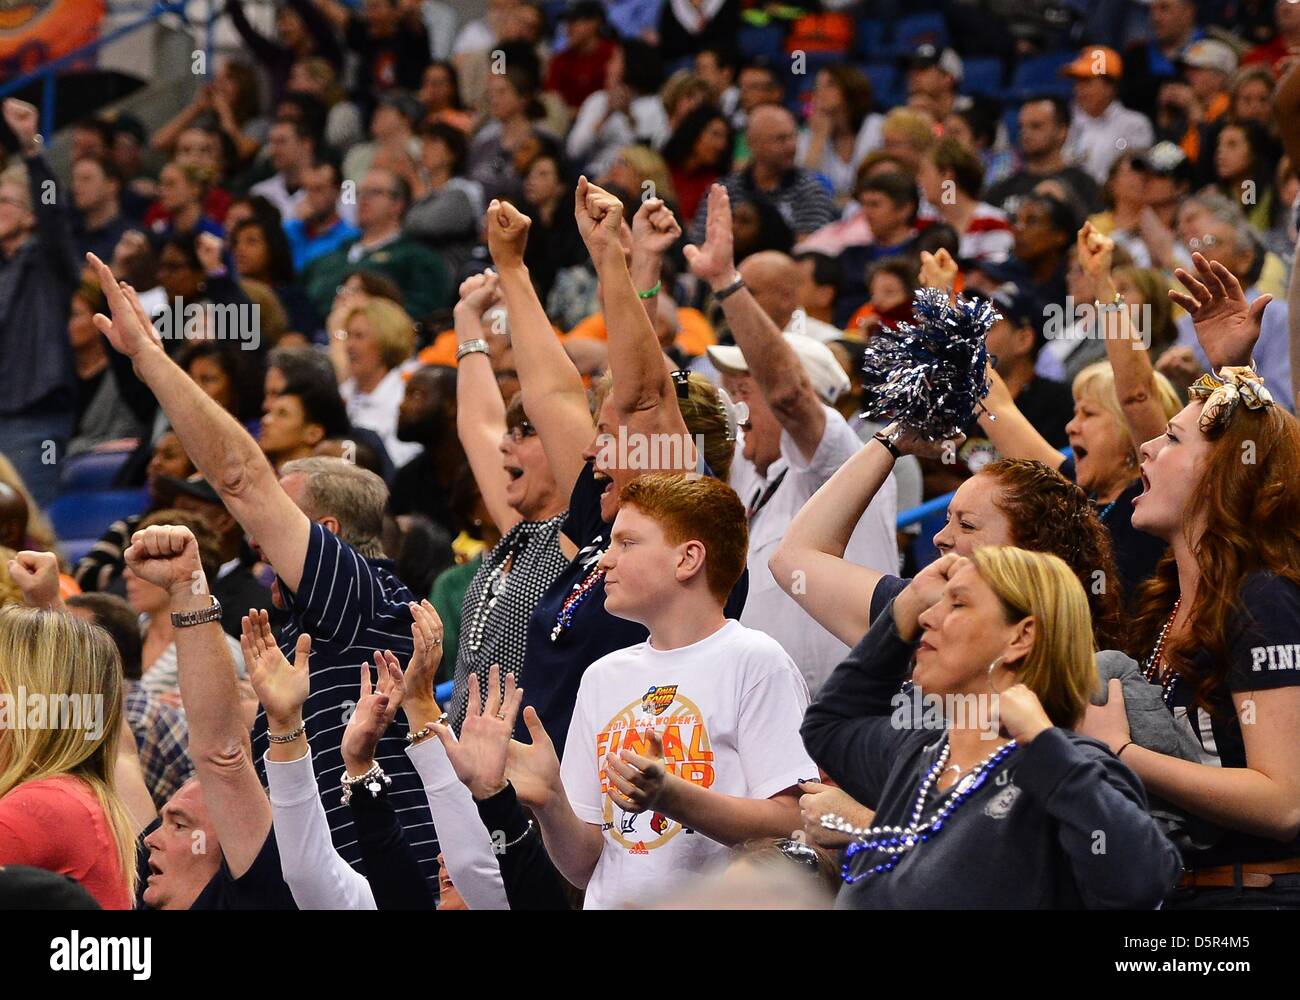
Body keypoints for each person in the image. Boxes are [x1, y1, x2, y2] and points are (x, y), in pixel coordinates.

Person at [87, 251, 441, 889]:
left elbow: (239, 477)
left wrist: (150, 359)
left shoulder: (364, 598)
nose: (255, 534)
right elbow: (221, 757)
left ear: (325, 536)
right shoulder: (291, 634)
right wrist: (192, 590)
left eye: (284, 517)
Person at [436, 473, 815, 910]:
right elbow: (584, 865)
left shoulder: (756, 660)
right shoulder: (602, 676)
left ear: (688, 559)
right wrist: (551, 799)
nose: (603, 561)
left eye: (626, 543)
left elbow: (791, 828)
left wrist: (672, 796)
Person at [485, 184, 744, 758]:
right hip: (534, 798)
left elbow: (644, 395)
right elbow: (551, 391)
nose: (588, 451)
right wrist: (512, 269)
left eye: (606, 436)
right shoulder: (605, 518)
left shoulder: (691, 517)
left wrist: (609, 257)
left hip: (631, 799)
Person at [1081, 257, 1300, 908]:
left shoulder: (1264, 600)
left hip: (1255, 901)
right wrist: (1231, 370)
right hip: (1181, 899)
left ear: (1220, 475)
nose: (1144, 448)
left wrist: (1119, 750)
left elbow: (1286, 800)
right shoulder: (1171, 594)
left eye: (1170, 441)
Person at [802, 546, 1181, 908]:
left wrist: (1042, 742)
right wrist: (909, 600)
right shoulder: (922, 755)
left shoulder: (1068, 766)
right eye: (933, 605)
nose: (927, 618)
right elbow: (830, 723)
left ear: (1021, 636)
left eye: (958, 604)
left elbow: (1141, 883)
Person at [692, 194, 897, 694]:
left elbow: (786, 393)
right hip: (756, 720)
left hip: (845, 728)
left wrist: (726, 284)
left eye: (743, 391)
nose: (732, 406)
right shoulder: (746, 471)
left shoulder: (839, 460)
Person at [974, 224, 1185, 599]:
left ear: (1128, 433)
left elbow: (1137, 395)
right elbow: (999, 409)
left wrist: (1102, 284)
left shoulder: (1156, 492)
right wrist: (947, 314)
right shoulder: (1072, 489)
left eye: (1089, 415)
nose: (1072, 427)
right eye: (1075, 414)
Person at [443, 270, 570, 728]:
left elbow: (560, 397)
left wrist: (515, 274)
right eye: (509, 433)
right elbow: (478, 424)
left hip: (532, 776)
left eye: (525, 433)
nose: (504, 445)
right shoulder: (521, 532)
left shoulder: (582, 535)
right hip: (469, 773)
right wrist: (467, 320)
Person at [0, 98, 79, 507]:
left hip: (33, 423)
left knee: (26, 532)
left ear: (29, 215)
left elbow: (54, 216)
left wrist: (31, 148)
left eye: (4, 201)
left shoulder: (49, 261)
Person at [301, 167, 452, 320]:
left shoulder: (418, 258)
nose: (363, 199)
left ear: (397, 204)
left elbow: (424, 310)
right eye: (359, 193)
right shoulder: (329, 256)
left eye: (374, 192)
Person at [691, 105, 838, 245]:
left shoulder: (811, 189)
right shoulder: (724, 190)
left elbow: (809, 250)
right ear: (753, 143)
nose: (791, 146)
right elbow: (699, 246)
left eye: (793, 137)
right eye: (781, 139)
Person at [985, 97, 1102, 219]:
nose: (1025, 133)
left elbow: (1096, 231)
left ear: (1062, 132)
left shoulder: (1083, 184)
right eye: (1021, 126)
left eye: (1036, 126)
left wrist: (1070, 204)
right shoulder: (1003, 188)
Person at [1062, 46, 1156, 186]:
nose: (1078, 89)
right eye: (1077, 82)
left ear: (1110, 86)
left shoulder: (1135, 125)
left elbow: (1137, 178)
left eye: (1086, 81)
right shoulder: (1064, 121)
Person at [387, 365, 463, 535]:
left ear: (452, 406)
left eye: (415, 395)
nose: (402, 405)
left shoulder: (483, 473)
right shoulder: (407, 477)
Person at [916, 137, 1013, 264]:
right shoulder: (924, 221)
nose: (919, 180)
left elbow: (993, 276)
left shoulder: (992, 222)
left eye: (923, 172)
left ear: (947, 175)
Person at [797, 66, 883, 203]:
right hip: (825, 214)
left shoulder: (878, 127)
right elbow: (803, 189)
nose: (819, 92)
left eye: (830, 85)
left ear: (851, 89)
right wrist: (818, 140)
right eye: (816, 86)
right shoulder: (808, 136)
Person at [283, 160, 361, 273]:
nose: (310, 196)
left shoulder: (350, 238)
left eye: (318, 189)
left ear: (337, 191)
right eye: (306, 189)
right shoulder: (290, 229)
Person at [661, 104, 734, 225]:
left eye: (725, 139)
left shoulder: (716, 184)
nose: (721, 145)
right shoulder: (661, 168)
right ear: (694, 130)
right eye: (715, 135)